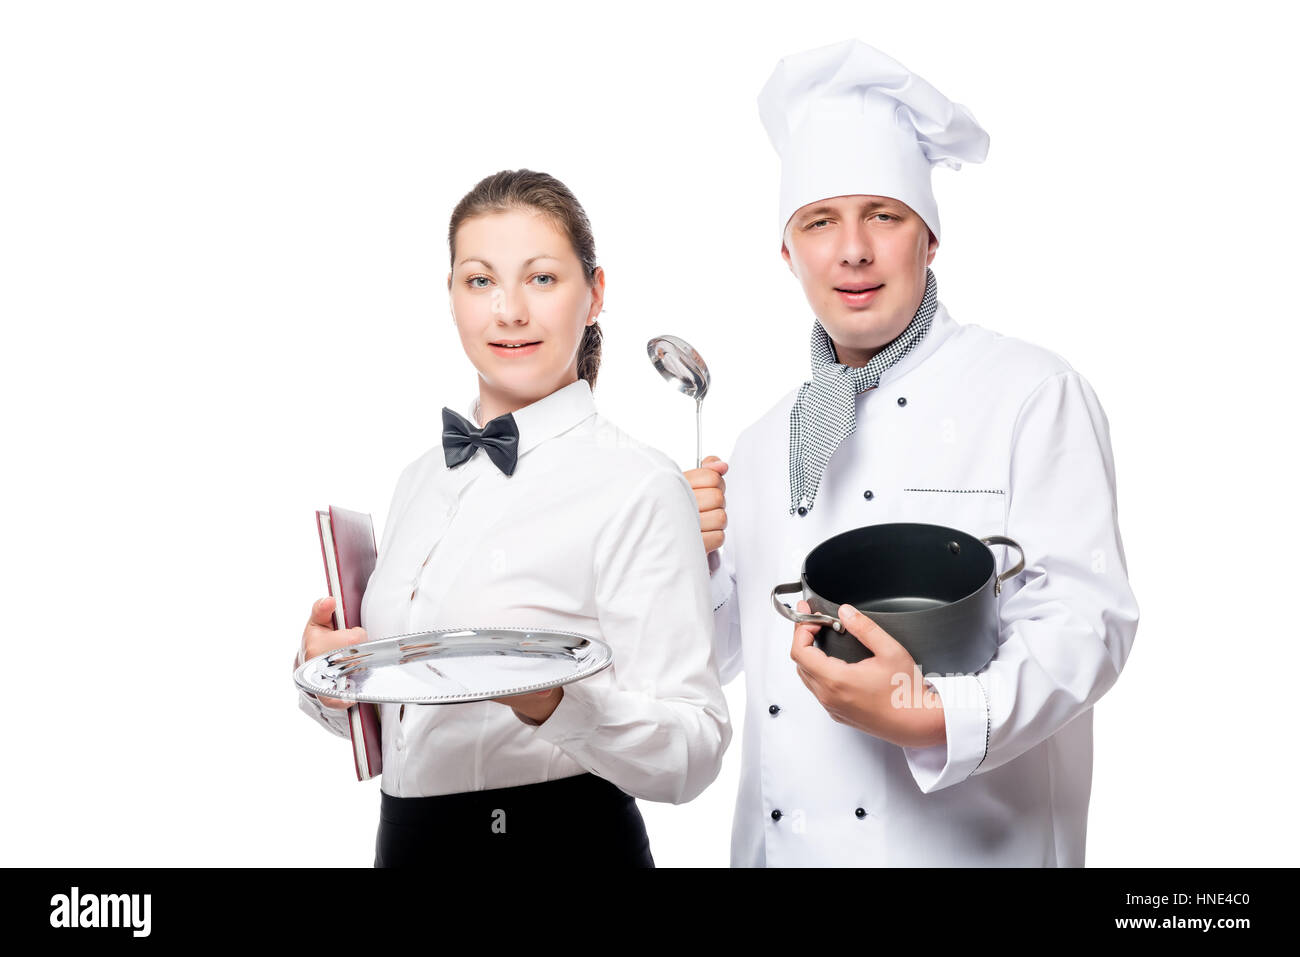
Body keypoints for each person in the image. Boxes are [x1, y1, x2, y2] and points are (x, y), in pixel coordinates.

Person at [688, 39, 1139, 867]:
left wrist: (932, 712)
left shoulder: (1031, 394)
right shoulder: (761, 444)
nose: (852, 250)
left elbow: (1089, 624)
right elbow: (721, 656)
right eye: (819, 221)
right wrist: (689, 554)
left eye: (883, 216)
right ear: (787, 253)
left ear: (930, 239)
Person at [297, 169, 730, 867]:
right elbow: (407, 720)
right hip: (404, 846)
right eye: (480, 281)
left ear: (594, 294)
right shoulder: (418, 479)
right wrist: (331, 675)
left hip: (562, 845)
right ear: (450, 296)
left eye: (542, 279)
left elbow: (696, 746)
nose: (508, 311)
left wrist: (554, 702)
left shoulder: (639, 483)